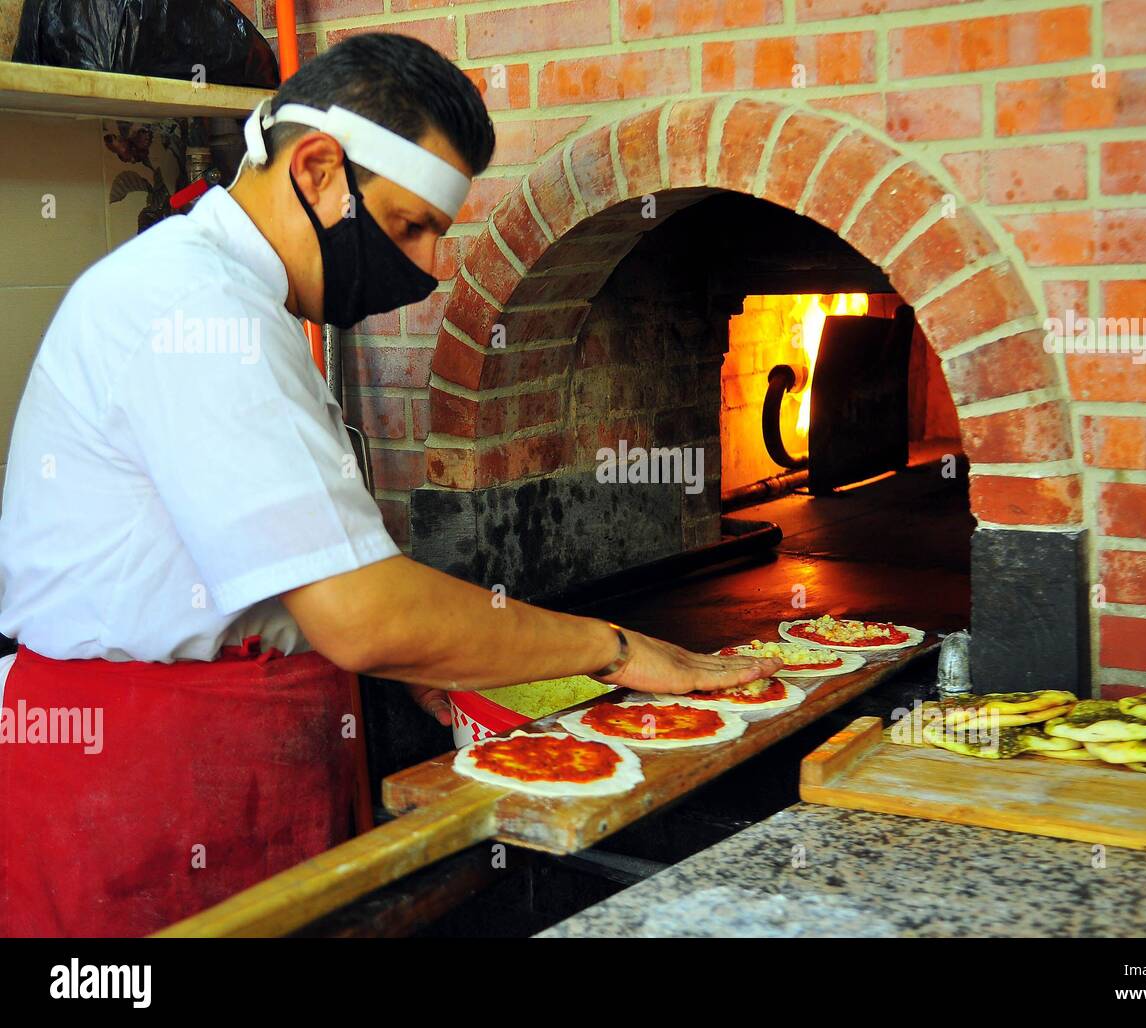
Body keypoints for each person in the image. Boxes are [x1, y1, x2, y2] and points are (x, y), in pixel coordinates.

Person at [0, 33, 779, 937]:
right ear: (320, 168)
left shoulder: (227, 298)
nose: (423, 265)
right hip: (144, 790)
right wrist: (617, 650)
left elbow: (302, 576)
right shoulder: (192, 310)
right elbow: (361, 613)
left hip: (240, 749)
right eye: (409, 226)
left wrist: (435, 655)